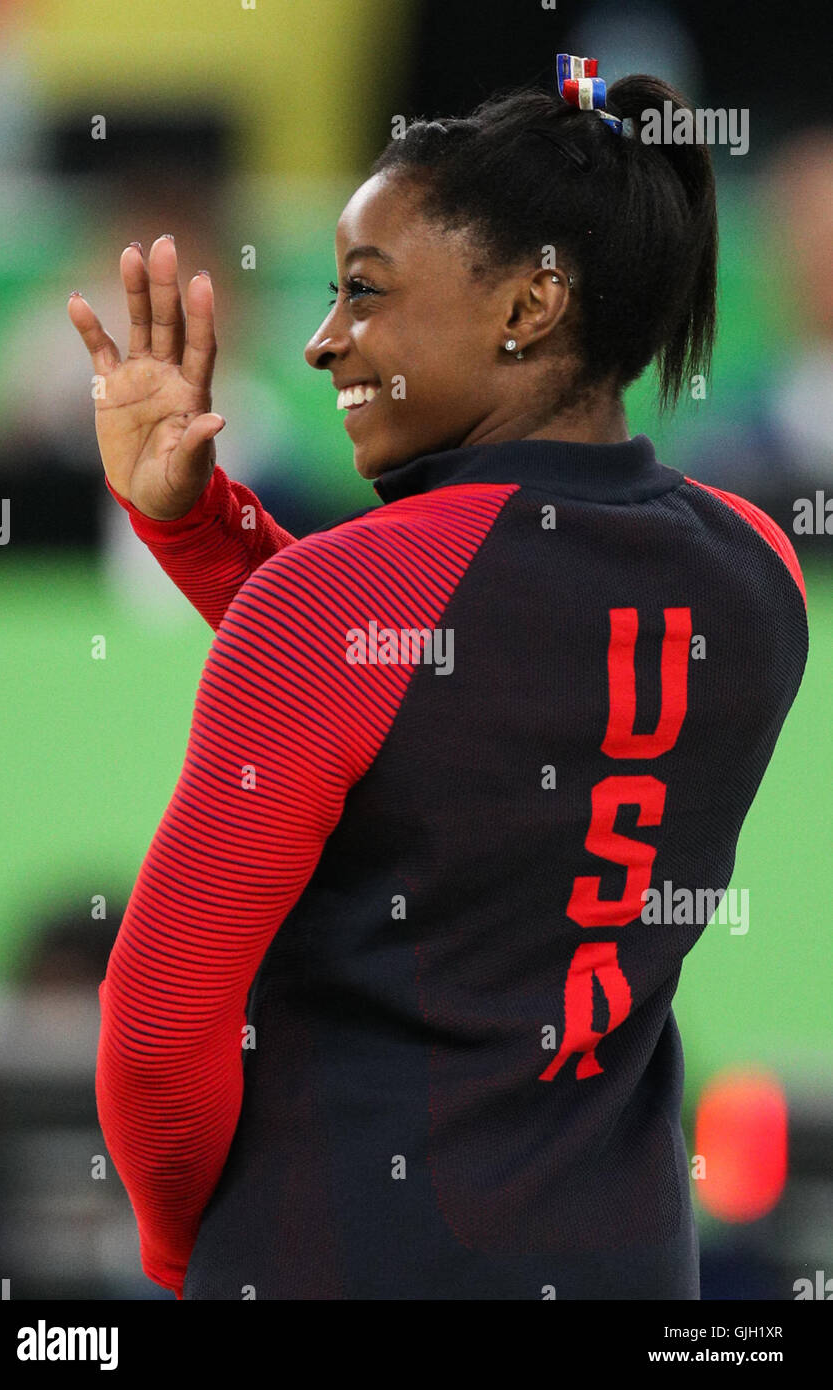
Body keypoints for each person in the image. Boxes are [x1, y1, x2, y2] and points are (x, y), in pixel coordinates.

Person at [69, 62, 808, 1300]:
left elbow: (154, 1038)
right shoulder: (757, 569)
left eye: (364, 292)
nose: (320, 343)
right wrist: (206, 532)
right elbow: (441, 681)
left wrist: (192, 1255)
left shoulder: (343, 607)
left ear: (529, 302)